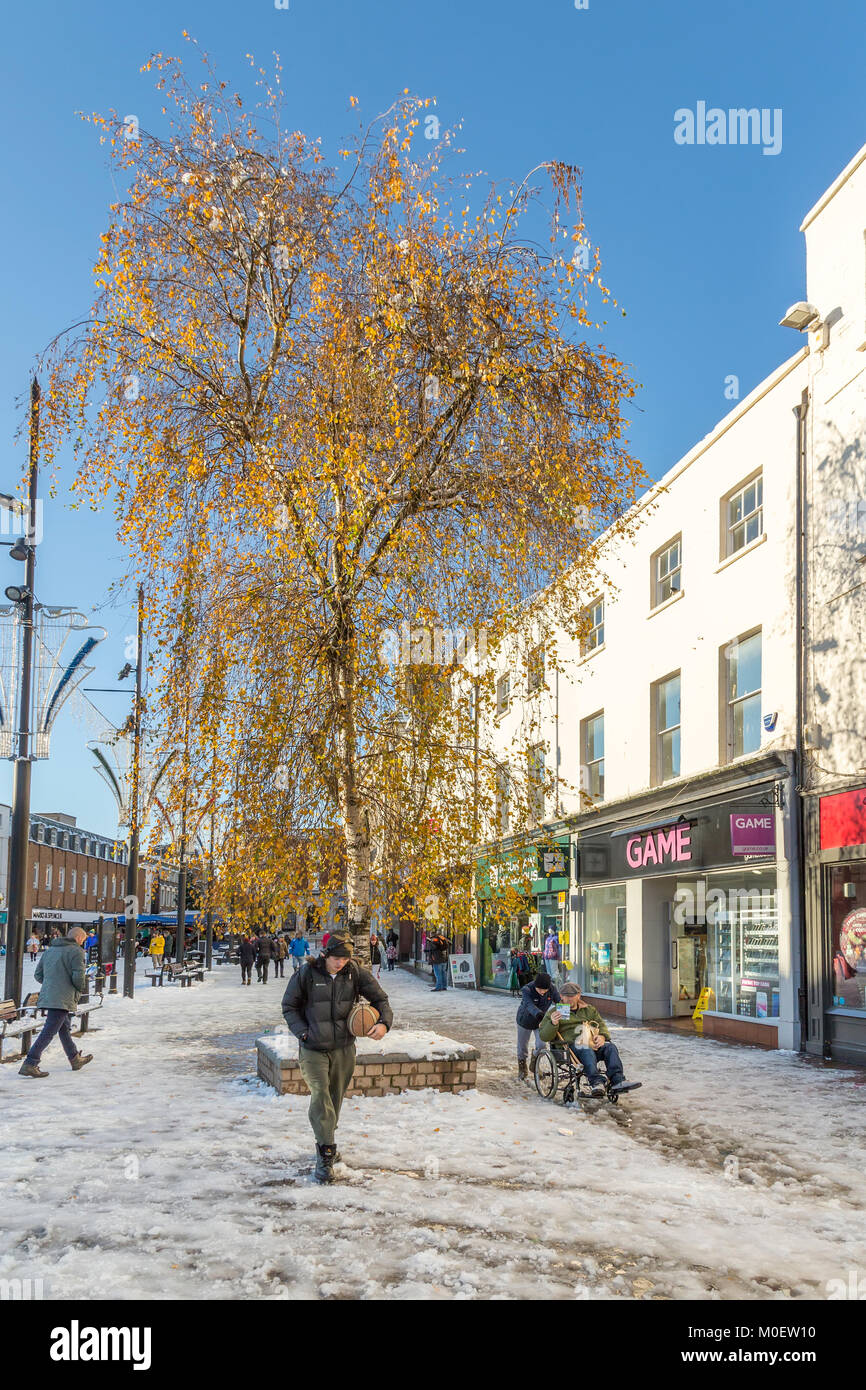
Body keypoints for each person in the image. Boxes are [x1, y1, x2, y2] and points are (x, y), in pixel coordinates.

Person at [282, 936, 393, 1183]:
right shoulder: (307, 973)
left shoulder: (354, 973)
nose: (341, 963)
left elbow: (381, 1000)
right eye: (337, 958)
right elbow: (289, 1006)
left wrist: (384, 1023)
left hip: (343, 1048)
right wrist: (303, 1032)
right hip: (313, 1048)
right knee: (321, 1095)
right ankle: (326, 1155)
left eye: (345, 958)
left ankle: (327, 1145)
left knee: (334, 1099)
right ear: (325, 954)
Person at [18, 926, 93, 1078]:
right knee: (49, 1031)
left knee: (63, 1027)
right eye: (83, 940)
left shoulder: (50, 950)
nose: (82, 943)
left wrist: (52, 983)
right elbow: (78, 977)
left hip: (50, 995)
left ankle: (74, 1058)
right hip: (63, 997)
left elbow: (38, 975)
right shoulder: (77, 952)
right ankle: (30, 1063)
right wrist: (78, 989)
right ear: (78, 938)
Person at [538, 981, 630, 1097]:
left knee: (610, 1047)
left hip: (590, 1043)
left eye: (572, 996)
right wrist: (553, 1023)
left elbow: (601, 1024)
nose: (569, 999)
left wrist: (602, 1036)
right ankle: (596, 1082)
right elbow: (544, 1036)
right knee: (584, 1048)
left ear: (578, 995)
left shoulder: (589, 1010)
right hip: (569, 1049)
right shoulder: (554, 1012)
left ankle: (618, 1080)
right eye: (566, 996)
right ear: (561, 996)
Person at [516, 970, 561, 1080]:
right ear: (535, 986)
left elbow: (559, 1002)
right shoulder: (527, 989)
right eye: (540, 989)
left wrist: (565, 1012)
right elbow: (529, 1005)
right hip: (525, 1020)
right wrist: (541, 1016)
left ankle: (534, 1064)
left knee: (541, 1045)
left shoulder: (552, 989)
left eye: (545, 990)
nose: (542, 992)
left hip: (541, 1021)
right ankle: (522, 1066)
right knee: (522, 1046)